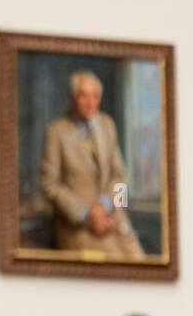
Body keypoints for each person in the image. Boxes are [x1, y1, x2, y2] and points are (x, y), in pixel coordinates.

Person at [39, 71, 144, 258]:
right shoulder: (56, 132)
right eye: (84, 96)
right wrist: (87, 214)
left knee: (142, 266)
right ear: (73, 98)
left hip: (113, 218)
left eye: (95, 96)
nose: (90, 102)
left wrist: (105, 205)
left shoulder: (107, 125)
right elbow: (50, 185)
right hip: (78, 225)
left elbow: (120, 176)